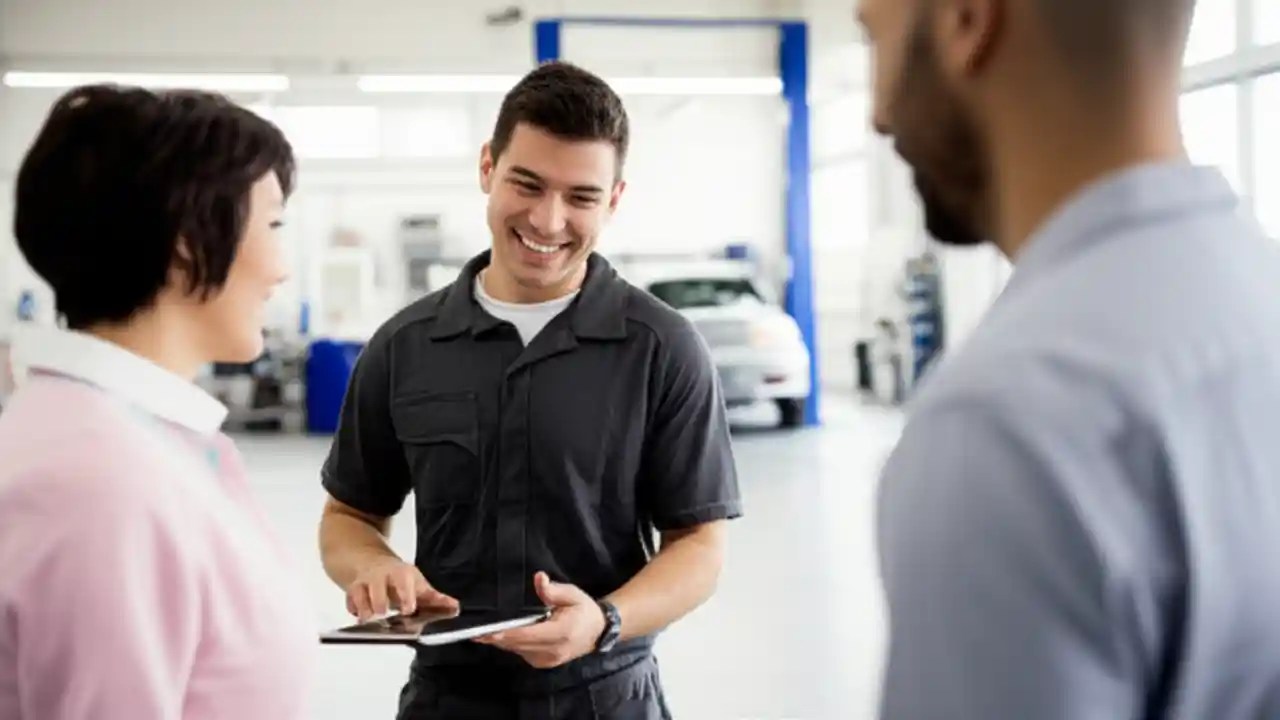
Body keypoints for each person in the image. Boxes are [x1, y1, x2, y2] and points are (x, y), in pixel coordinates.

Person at [859, 0, 1280, 718]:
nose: (878, 113)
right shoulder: (1257, 295)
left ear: (966, 20)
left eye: (878, 37)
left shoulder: (1010, 418)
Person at [318, 60, 741, 719]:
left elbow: (700, 549)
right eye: (528, 184)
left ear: (615, 200)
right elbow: (348, 518)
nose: (548, 221)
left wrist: (604, 619)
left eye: (581, 197)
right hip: (448, 700)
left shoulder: (662, 348)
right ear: (487, 167)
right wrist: (370, 567)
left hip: (605, 697)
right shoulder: (404, 346)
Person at [0, 84, 315, 718]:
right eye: (274, 225)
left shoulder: (123, 442)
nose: (282, 268)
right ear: (189, 239)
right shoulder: (100, 484)